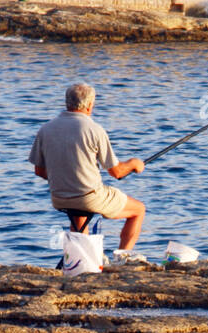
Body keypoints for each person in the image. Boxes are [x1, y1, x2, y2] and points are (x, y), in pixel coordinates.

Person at [29, 82, 146, 260]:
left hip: (59, 197)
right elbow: (117, 172)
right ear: (90, 104)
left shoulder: (46, 129)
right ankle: (122, 257)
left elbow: (39, 170)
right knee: (138, 210)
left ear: (67, 103)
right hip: (89, 197)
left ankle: (79, 261)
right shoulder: (94, 130)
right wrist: (134, 163)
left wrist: (65, 179)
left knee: (79, 219)